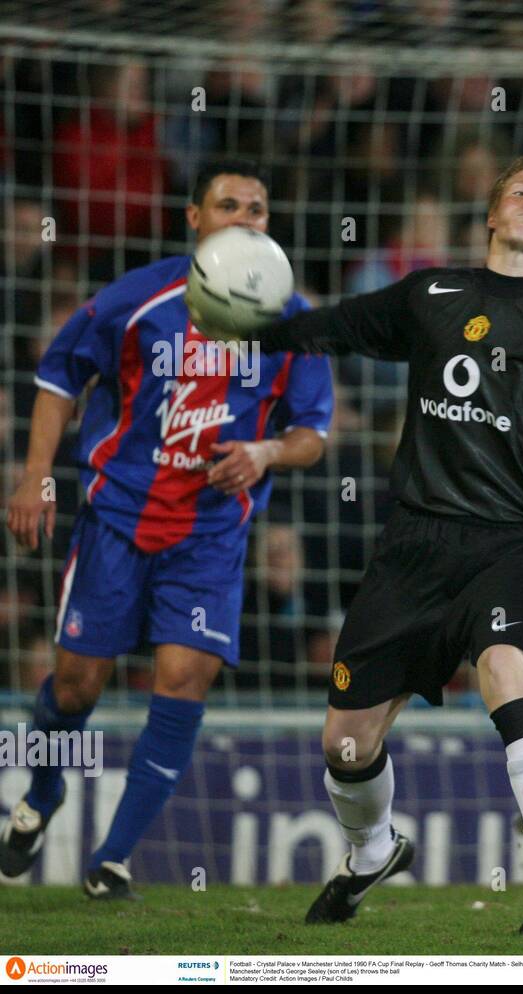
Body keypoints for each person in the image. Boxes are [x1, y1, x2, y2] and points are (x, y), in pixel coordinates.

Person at [251, 155, 523, 935]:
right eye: (519, 192)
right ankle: (371, 851)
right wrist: (259, 331)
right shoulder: (431, 295)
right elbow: (340, 325)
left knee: (508, 677)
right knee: (344, 743)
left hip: (518, 543)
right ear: (494, 214)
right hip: (413, 544)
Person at [1, 159, 333, 896]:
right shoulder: (141, 298)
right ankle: (45, 791)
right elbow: (59, 373)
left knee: (183, 677)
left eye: (258, 207)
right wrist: (34, 474)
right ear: (194, 217)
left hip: (211, 534)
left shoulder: (292, 317)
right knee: (78, 684)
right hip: (116, 518)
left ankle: (112, 859)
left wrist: (268, 449)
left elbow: (314, 430)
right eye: (229, 204)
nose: (247, 218)